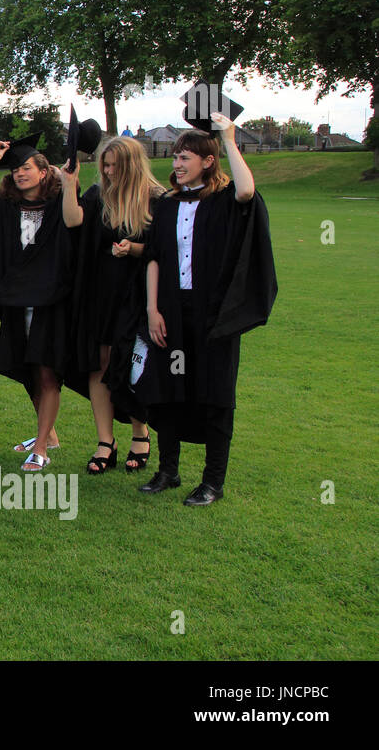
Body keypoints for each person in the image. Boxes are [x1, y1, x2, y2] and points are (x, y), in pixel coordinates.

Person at [136, 114, 275, 505]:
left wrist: (228, 138)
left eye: (185, 157)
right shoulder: (167, 205)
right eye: (175, 157)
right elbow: (154, 258)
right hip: (171, 311)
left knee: (215, 394)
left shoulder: (223, 202)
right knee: (169, 390)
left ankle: (213, 481)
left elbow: (247, 191)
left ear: (208, 161)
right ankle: (168, 471)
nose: (177, 164)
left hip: (213, 315)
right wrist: (152, 309)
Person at [0, 136, 73, 472]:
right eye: (16, 169)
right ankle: (48, 435)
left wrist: (64, 176)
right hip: (16, 300)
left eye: (27, 168)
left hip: (49, 301)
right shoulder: (9, 209)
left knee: (47, 373)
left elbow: (75, 214)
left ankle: (42, 448)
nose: (20, 173)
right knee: (27, 370)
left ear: (43, 172)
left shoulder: (57, 206)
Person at [59, 136, 163, 474]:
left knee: (129, 363)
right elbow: (72, 221)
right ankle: (106, 441)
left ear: (132, 166)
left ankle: (139, 432)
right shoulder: (97, 195)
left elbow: (164, 250)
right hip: (100, 293)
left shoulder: (156, 199)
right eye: (105, 164)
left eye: (115, 166)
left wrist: (133, 249)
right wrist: (69, 184)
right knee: (99, 364)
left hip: (137, 294)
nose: (108, 171)